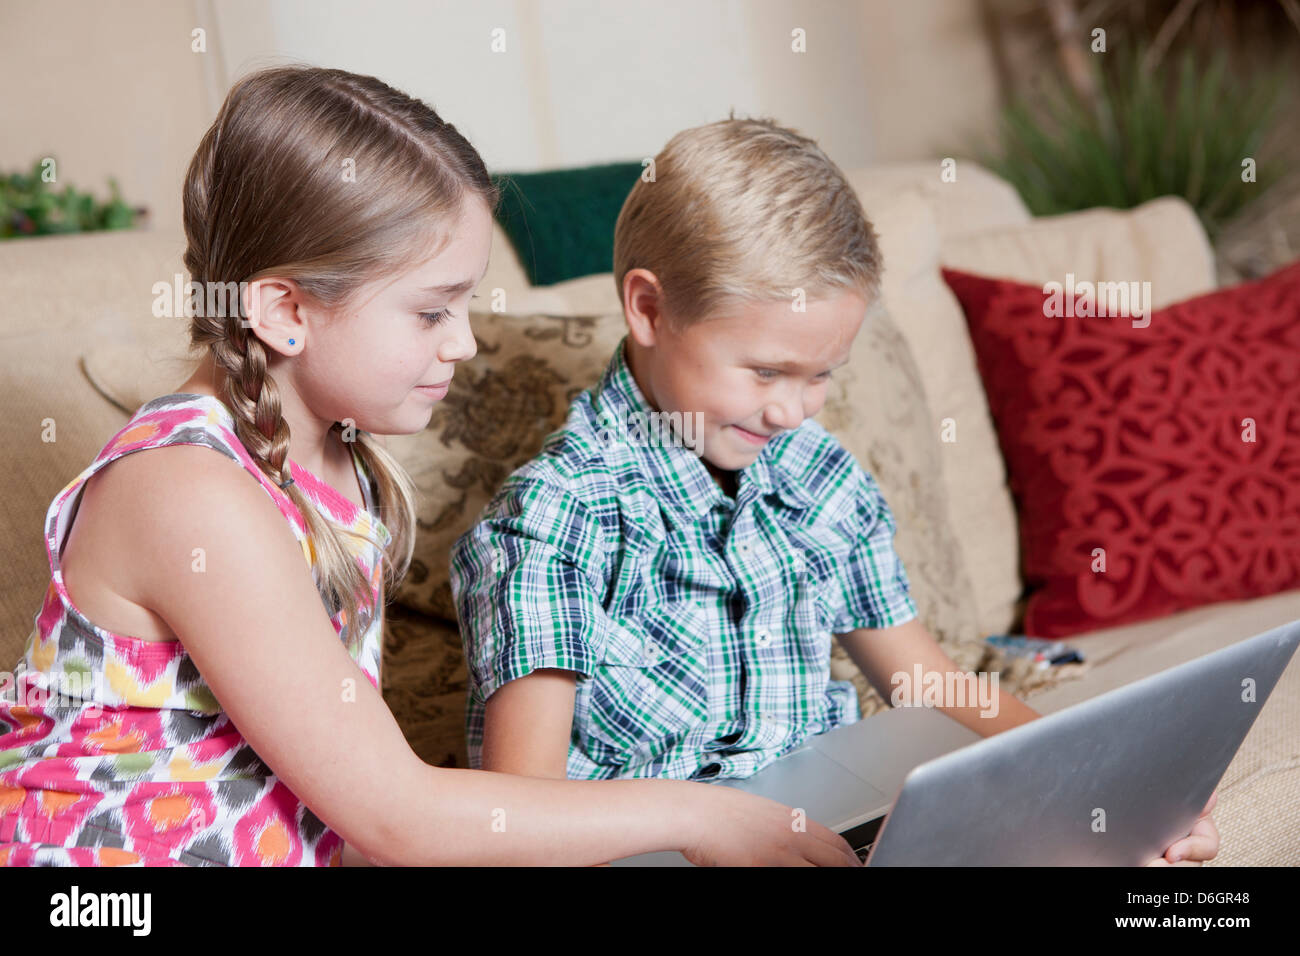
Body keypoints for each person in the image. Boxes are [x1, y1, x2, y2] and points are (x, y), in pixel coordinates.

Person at [0, 67, 858, 868]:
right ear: (285, 310)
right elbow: (398, 814)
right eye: (431, 311)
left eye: (466, 304)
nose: (465, 342)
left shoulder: (340, 452)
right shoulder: (187, 492)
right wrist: (699, 813)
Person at [451, 116, 1219, 866]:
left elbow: (923, 681)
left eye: (820, 375)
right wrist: (702, 821)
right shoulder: (554, 520)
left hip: (826, 827)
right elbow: (518, 818)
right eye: (764, 371)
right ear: (649, 309)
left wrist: (1106, 778)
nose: (791, 410)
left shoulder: (817, 476)